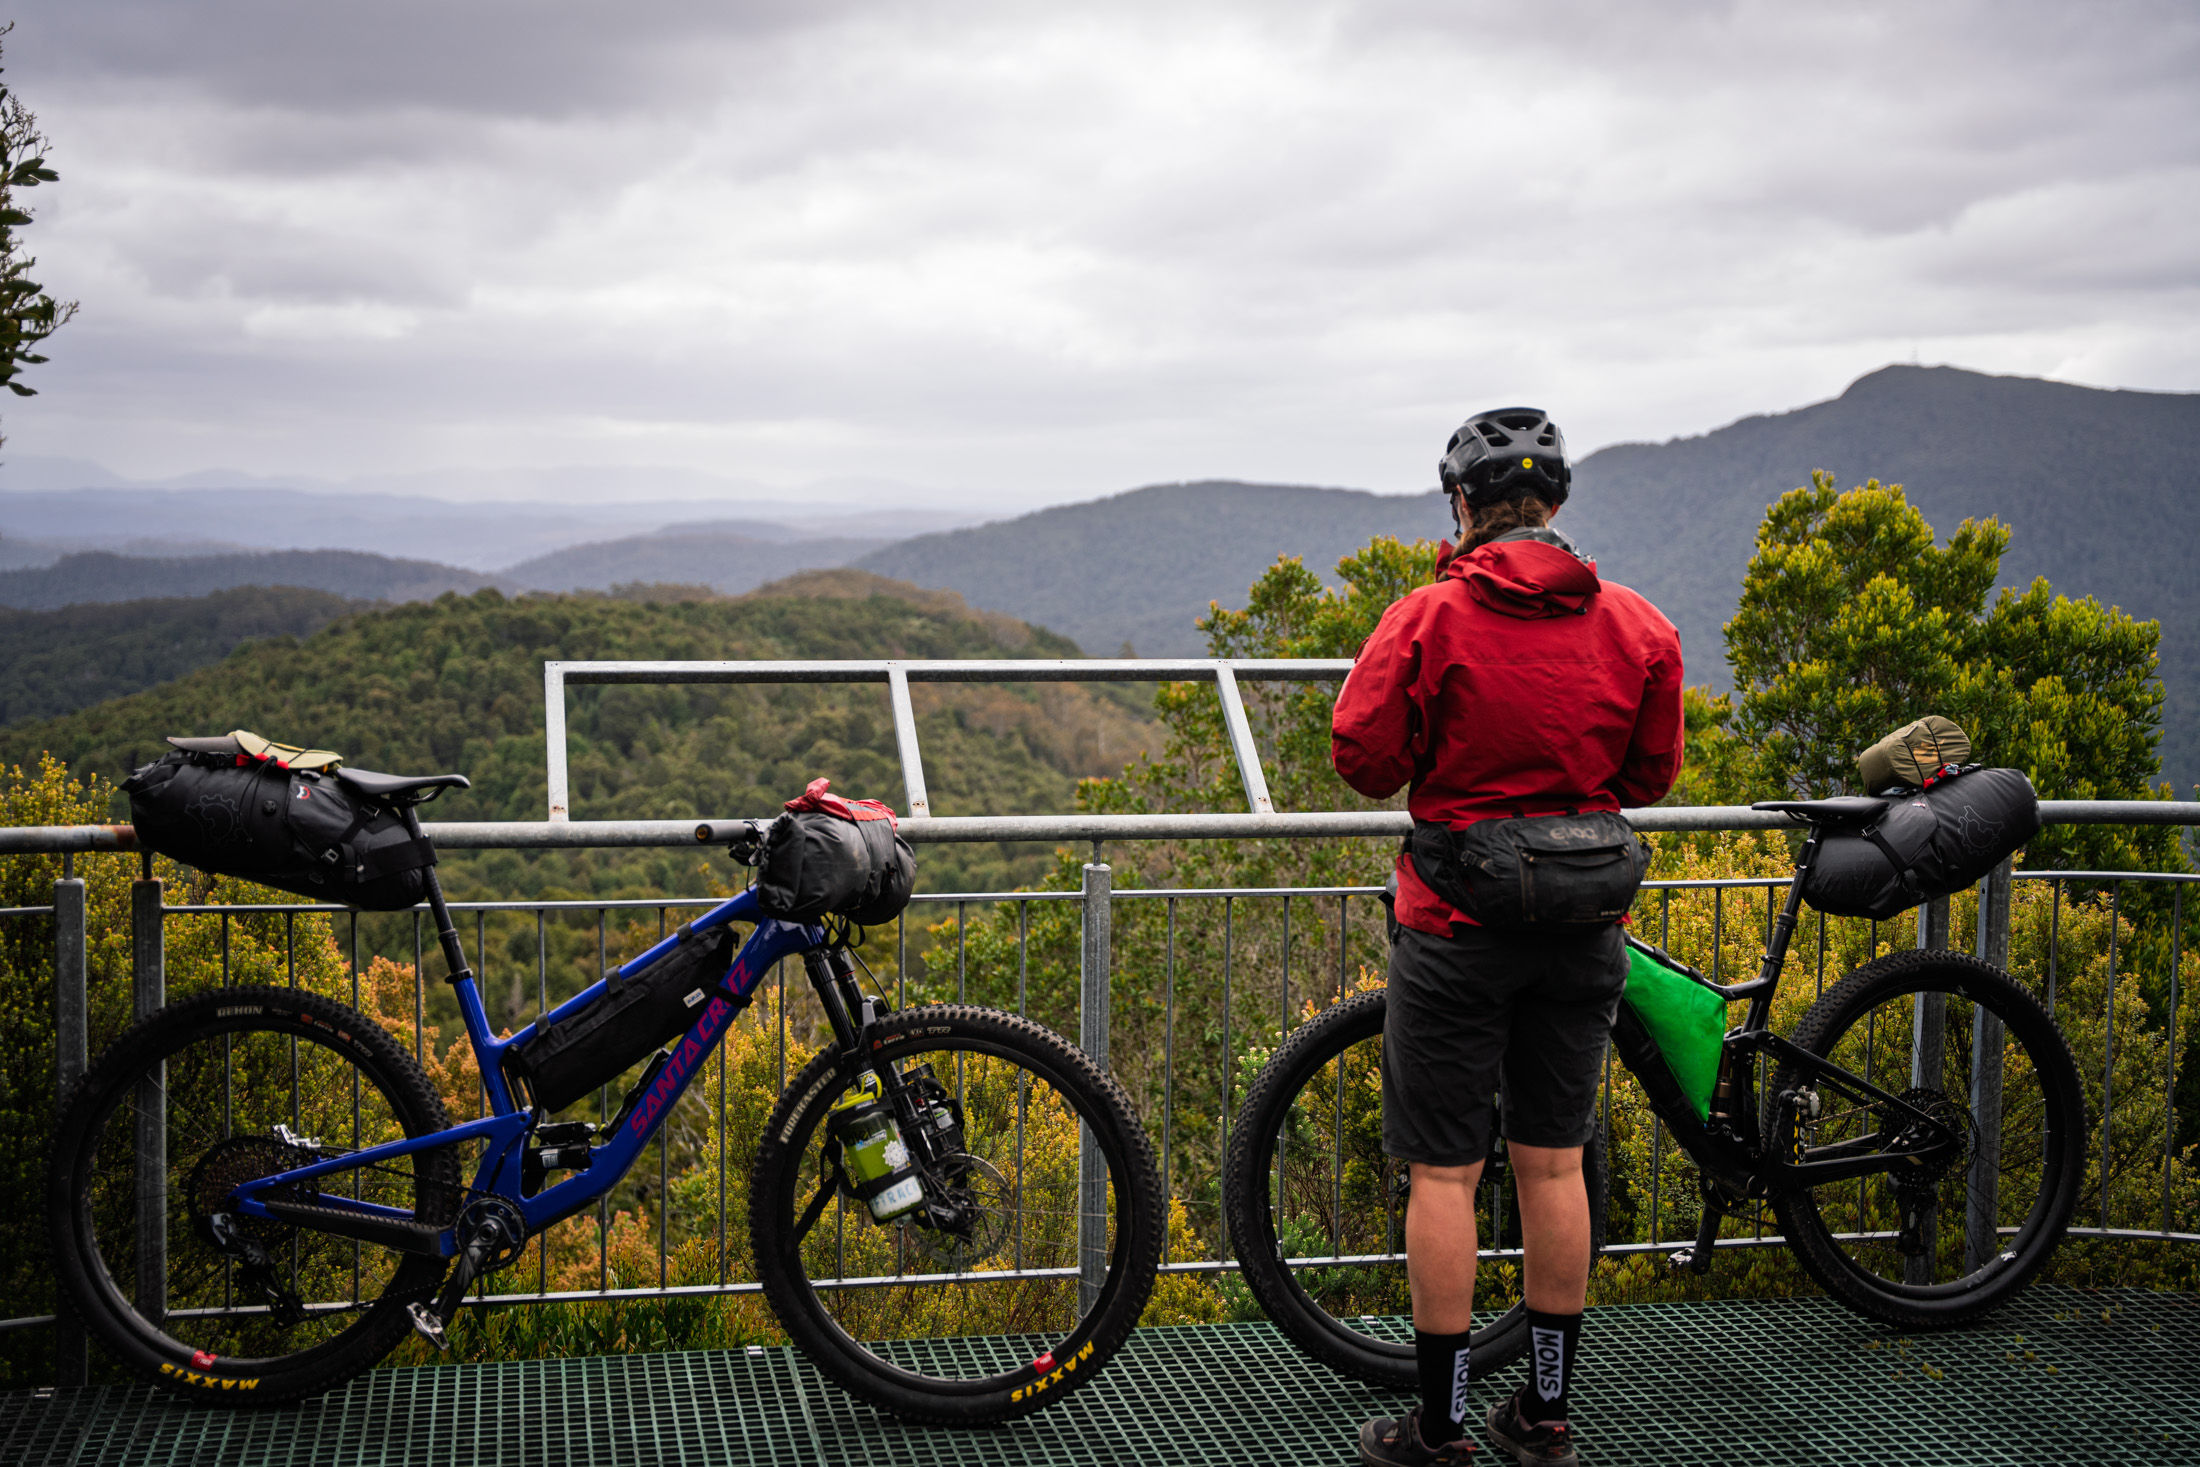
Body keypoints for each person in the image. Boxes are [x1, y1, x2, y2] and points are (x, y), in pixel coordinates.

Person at [1332, 407, 1684, 1466]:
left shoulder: (1426, 619)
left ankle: (1437, 1433)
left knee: (1444, 1177)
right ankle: (1544, 1416)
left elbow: (1362, 757)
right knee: (1551, 1163)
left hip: (1454, 924)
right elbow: (1648, 778)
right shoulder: (1638, 626)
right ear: (1559, 506)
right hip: (1583, 928)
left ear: (1462, 509)